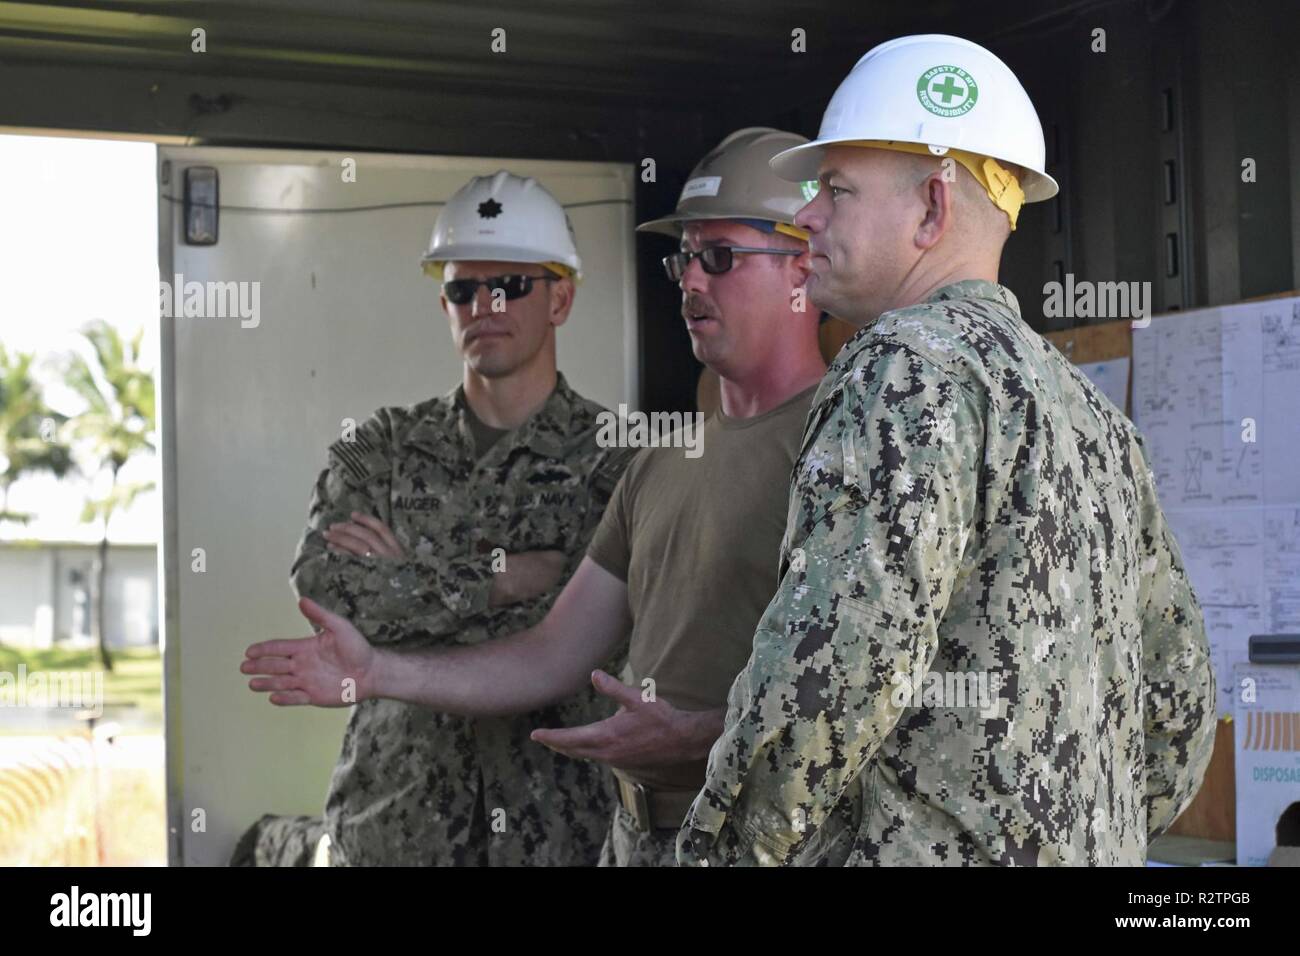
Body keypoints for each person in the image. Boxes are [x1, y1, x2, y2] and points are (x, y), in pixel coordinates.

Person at [675, 34, 1217, 867]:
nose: (806, 214)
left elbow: (827, 675)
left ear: (932, 206)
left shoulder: (902, 367)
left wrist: (716, 855)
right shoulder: (1093, 416)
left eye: (836, 190)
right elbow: (1179, 703)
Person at [243, 129, 856, 866]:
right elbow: (551, 651)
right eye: (684, 259)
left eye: (719, 258)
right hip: (535, 833)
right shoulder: (659, 462)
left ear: (804, 266)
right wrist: (386, 664)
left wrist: (705, 736)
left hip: (728, 837)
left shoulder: (850, 448)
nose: (691, 282)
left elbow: (870, 684)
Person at [271, 170, 630, 866]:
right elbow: (329, 590)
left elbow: (578, 635)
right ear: (444, 304)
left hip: (558, 831)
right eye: (463, 289)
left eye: (511, 285)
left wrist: (407, 582)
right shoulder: (379, 445)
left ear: (562, 298)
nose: (483, 305)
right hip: (392, 826)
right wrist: (492, 583)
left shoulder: (618, 461)